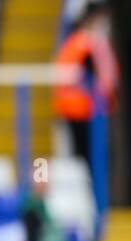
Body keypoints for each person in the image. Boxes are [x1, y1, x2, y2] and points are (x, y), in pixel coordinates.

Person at [51, 2, 118, 168]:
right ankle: (92, 193)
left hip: (82, 108)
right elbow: (92, 78)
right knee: (88, 159)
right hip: (83, 110)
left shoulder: (77, 41)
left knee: (87, 158)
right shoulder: (86, 43)